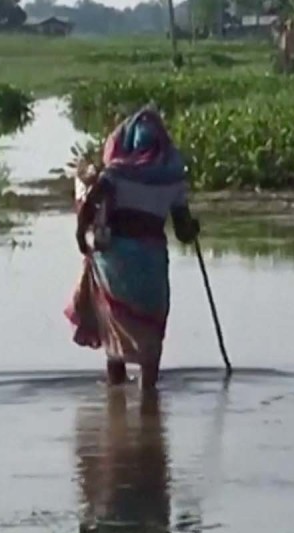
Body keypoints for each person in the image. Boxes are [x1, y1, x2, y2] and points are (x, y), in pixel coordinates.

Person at [67, 108, 201, 390]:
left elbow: (89, 207)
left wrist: (81, 237)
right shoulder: (172, 176)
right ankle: (148, 398)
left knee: (114, 326)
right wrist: (193, 229)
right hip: (151, 263)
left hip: (114, 260)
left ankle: (115, 395)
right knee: (150, 335)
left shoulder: (116, 173)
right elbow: (183, 230)